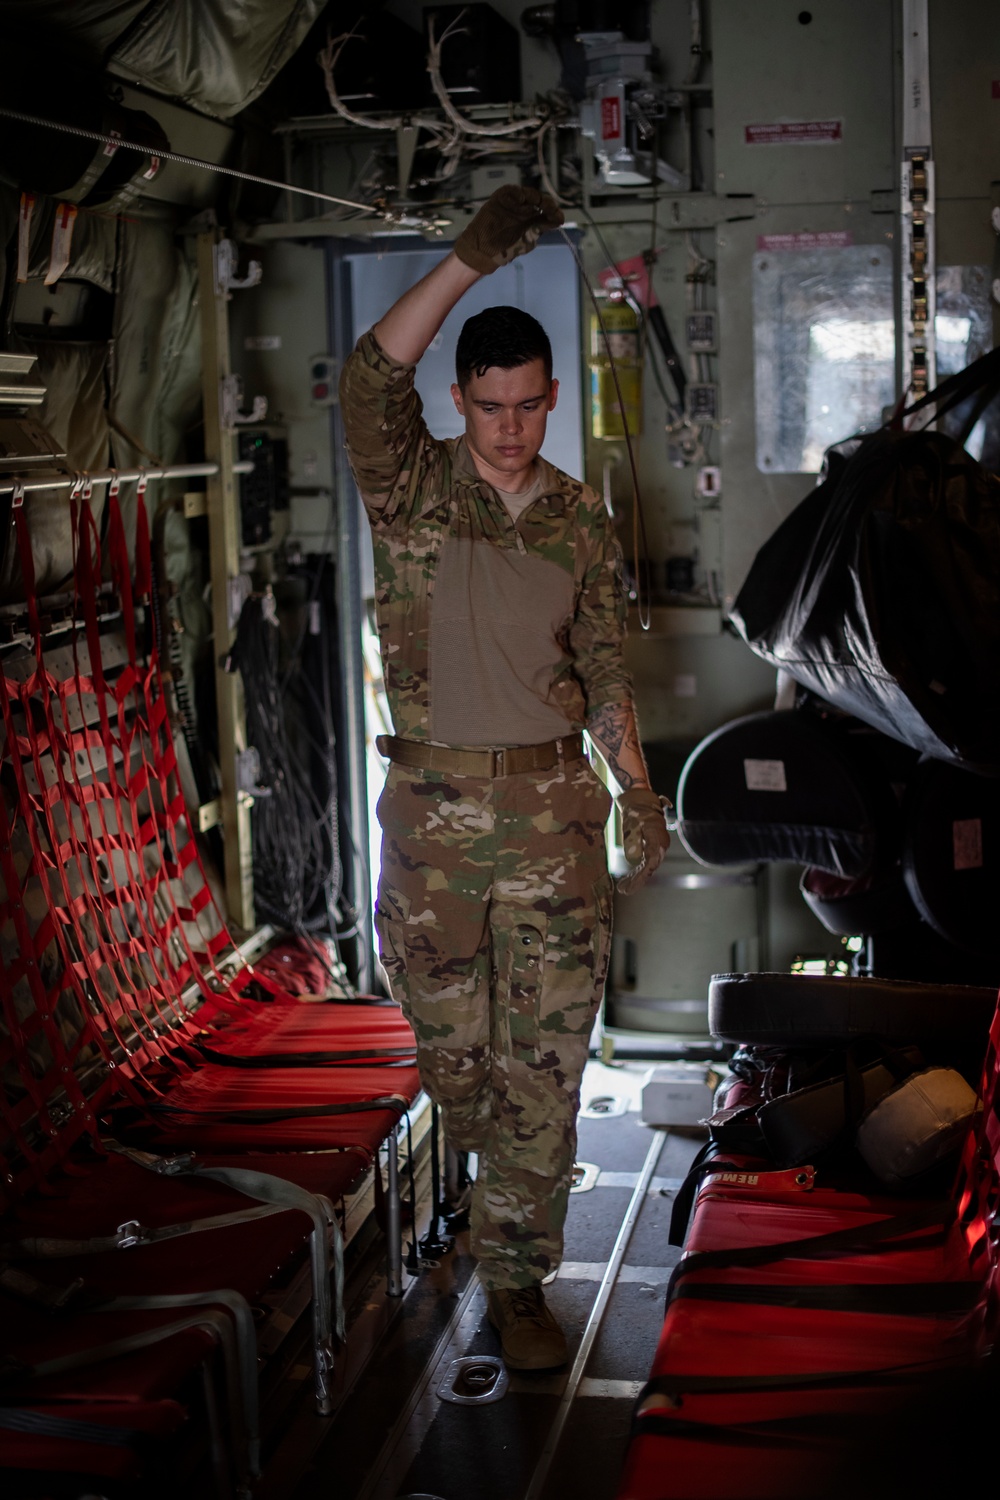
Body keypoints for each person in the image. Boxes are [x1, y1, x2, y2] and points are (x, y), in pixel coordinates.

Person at [339, 186, 670, 1371]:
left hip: (552, 823)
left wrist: (637, 792)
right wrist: (467, 261)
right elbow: (364, 381)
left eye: (529, 405)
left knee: (548, 1065)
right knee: (460, 1063)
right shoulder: (413, 490)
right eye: (491, 407)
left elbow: (605, 669)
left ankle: (519, 1280)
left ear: (553, 399)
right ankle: (492, 1174)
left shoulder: (578, 523)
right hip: (432, 832)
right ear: (458, 402)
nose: (512, 428)